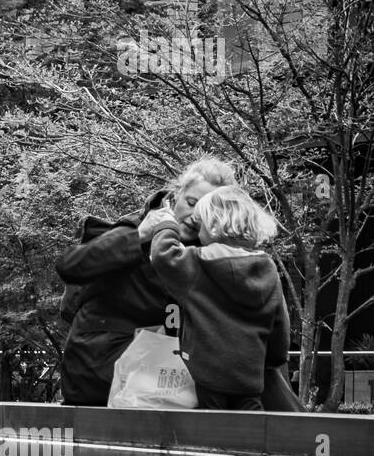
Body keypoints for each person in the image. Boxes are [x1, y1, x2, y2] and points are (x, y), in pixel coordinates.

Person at [55, 157, 237, 405]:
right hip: (100, 375)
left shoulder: (211, 253)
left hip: (166, 382)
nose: (195, 216)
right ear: (176, 194)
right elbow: (71, 266)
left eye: (207, 210)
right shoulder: (137, 227)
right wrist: (138, 236)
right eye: (191, 202)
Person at [146, 186, 290, 411]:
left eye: (200, 223)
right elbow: (280, 330)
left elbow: (163, 256)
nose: (197, 230)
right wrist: (270, 360)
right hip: (250, 379)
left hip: (206, 377)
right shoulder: (268, 269)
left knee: (211, 433)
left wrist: (166, 224)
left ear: (213, 226)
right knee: (248, 431)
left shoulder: (200, 263)